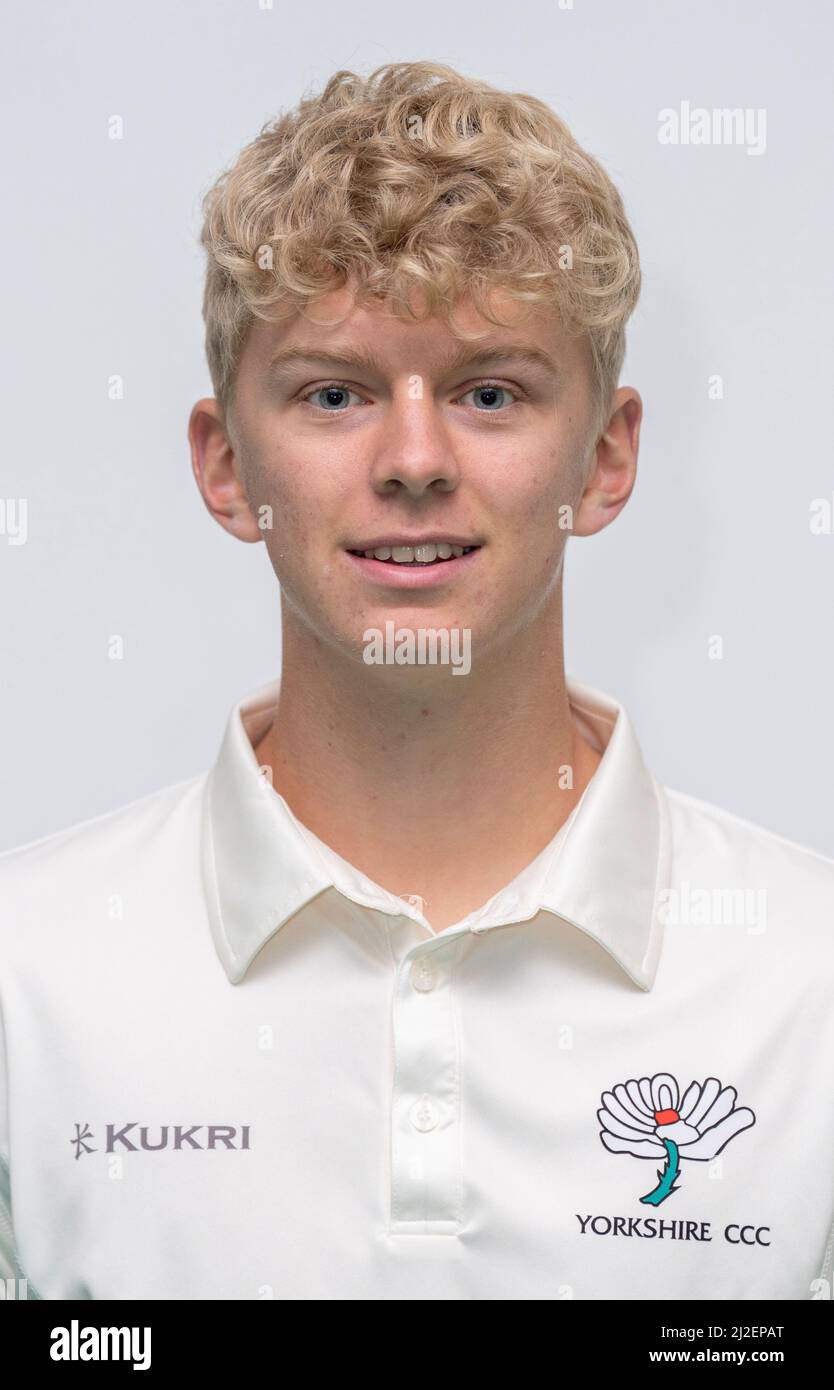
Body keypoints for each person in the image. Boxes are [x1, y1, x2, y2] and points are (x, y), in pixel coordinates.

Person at [1, 60, 831, 1302]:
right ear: (227, 467)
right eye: (333, 393)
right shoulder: (28, 977)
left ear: (605, 462)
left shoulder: (807, 983)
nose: (413, 460)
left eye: (488, 391)